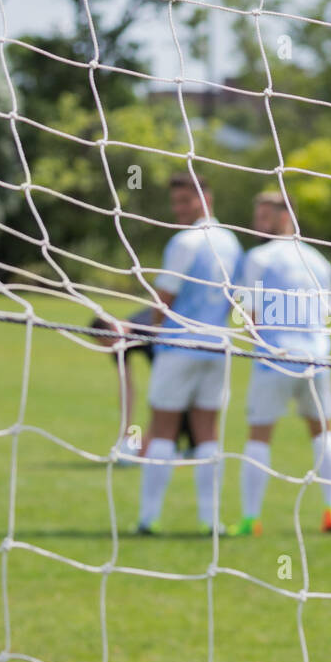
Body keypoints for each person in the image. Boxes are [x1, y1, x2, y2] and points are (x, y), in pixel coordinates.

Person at [230, 191, 331, 538]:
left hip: (274, 360)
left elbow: (248, 315)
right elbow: (328, 315)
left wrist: (255, 346)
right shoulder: (319, 260)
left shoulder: (258, 258)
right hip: (316, 359)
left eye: (265, 216)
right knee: (323, 430)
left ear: (285, 215)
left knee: (259, 435)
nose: (257, 223)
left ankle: (251, 519)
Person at [134, 171, 242, 535]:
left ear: (205, 199)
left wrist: (152, 329)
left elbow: (163, 298)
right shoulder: (231, 242)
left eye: (185, 201)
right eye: (175, 202)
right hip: (217, 348)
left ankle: (148, 519)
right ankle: (210, 522)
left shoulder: (185, 242)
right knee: (208, 434)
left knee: (162, 430)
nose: (178, 209)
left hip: (179, 345)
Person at [90, 307, 196, 465]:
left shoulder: (150, 330)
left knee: (176, 404)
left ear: (113, 329)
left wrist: (147, 438)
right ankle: (173, 449)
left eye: (106, 343)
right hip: (170, 368)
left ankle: (185, 448)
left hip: (187, 355)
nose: (108, 349)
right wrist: (127, 430)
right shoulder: (120, 344)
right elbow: (126, 387)